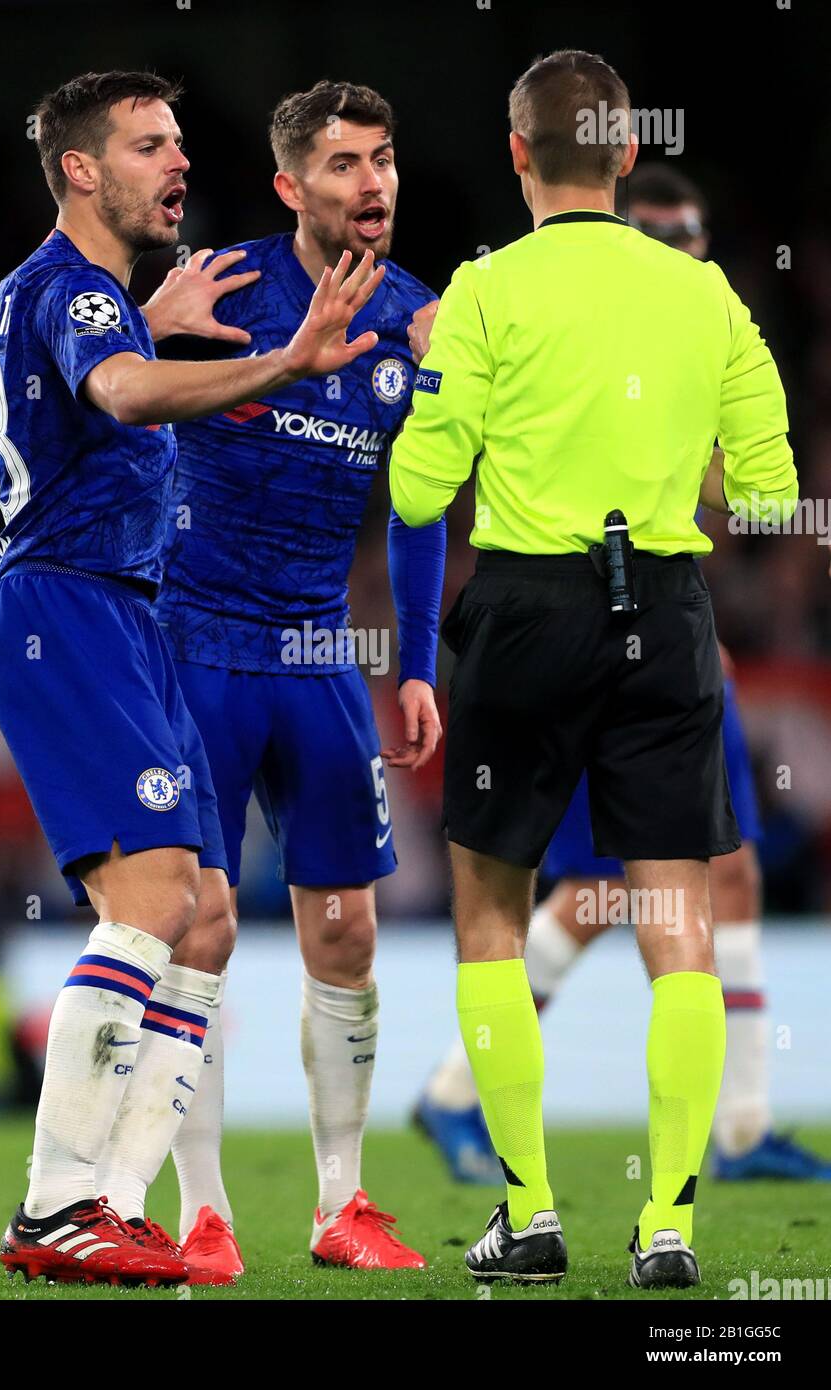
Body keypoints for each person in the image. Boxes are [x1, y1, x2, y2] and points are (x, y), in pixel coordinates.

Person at [389, 50, 797, 1289]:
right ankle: (667, 1225)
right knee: (676, 917)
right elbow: (772, 496)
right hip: (664, 612)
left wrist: (438, 369)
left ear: (518, 155)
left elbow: (416, 485)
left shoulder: (480, 293)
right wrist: (665, 465)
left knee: (490, 918)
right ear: (626, 156)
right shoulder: (706, 296)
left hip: (522, 612)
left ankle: (530, 1213)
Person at [0, 68, 384, 1288]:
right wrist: (283, 364)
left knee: (203, 915)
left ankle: (114, 1202)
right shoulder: (68, 288)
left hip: (129, 617)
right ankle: (59, 1207)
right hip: (70, 606)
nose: (178, 163)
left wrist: (151, 319)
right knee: (151, 902)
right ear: (83, 170)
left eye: (178, 142)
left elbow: (99, 383)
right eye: (150, 145)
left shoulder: (97, 300)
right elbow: (121, 393)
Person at [97, 80, 443, 1276]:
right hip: (193, 641)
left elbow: (417, 500)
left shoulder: (416, 320)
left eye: (385, 159)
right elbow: (111, 416)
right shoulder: (220, 290)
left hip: (317, 652)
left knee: (345, 929)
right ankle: (203, 1212)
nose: (374, 184)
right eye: (344, 165)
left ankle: (340, 1205)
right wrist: (151, 323)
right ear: (293, 187)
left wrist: (417, 659)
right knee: (198, 922)